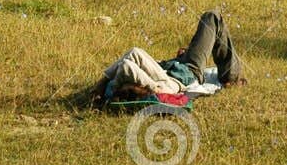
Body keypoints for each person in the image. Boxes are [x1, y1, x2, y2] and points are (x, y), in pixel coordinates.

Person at [96, 11, 246, 107]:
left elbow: (132, 59)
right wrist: (104, 87)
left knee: (135, 52)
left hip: (173, 67)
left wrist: (103, 84)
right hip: (187, 71)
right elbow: (127, 66)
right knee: (213, 18)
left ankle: (229, 75)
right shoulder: (156, 88)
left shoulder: (123, 84)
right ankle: (231, 77)